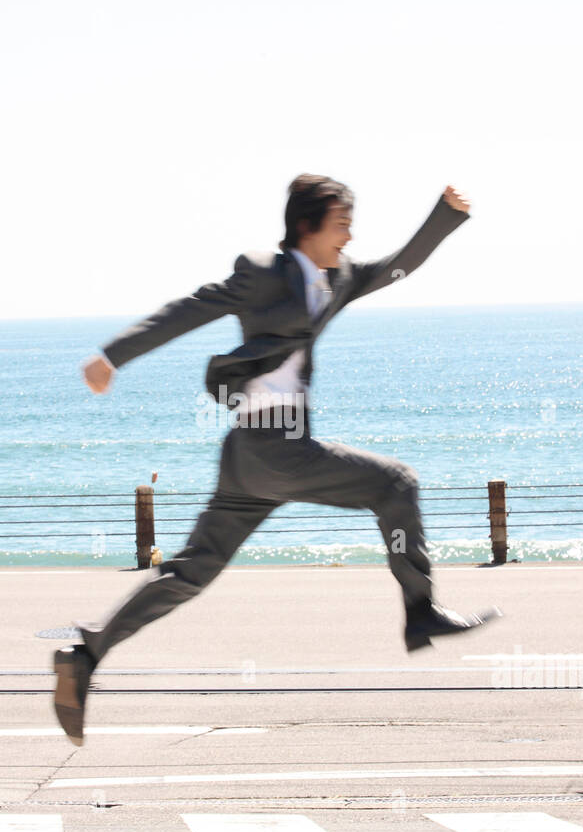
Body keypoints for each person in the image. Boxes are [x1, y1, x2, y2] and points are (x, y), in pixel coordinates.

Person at [54, 174, 502, 745]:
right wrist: (113, 356)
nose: (350, 234)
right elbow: (189, 309)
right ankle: (420, 609)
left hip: (249, 460)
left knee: (191, 572)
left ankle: (87, 654)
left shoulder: (336, 280)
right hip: (273, 448)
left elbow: (397, 267)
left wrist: (442, 216)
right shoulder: (264, 273)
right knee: (396, 483)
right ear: (307, 225)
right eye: (341, 222)